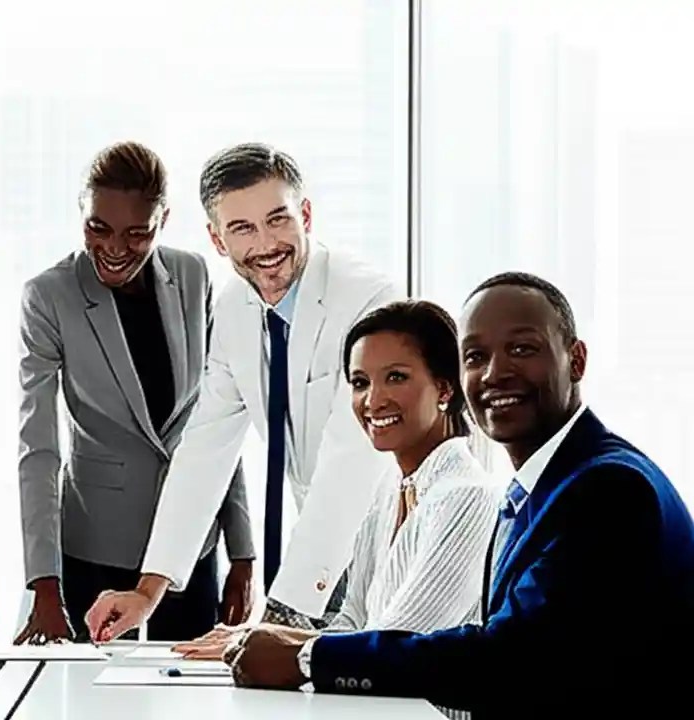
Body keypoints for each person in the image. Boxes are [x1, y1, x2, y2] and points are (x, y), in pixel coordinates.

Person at [224, 272, 694, 715]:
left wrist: (306, 657)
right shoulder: (542, 486)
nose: (495, 373)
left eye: (522, 349)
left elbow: (506, 658)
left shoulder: (608, 488)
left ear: (577, 360)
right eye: (475, 356)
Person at [85, 142, 401, 642]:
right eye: (242, 228)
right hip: (319, 554)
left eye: (278, 220)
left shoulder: (367, 301)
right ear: (216, 238)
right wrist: (150, 590)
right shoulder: (234, 309)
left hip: (387, 546)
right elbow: (205, 449)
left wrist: (278, 619)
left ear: (307, 215)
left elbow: (351, 463)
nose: (266, 243)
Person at [15, 141, 255, 643]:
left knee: (189, 703)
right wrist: (44, 585)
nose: (115, 248)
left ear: (163, 219)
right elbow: (37, 449)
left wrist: (243, 551)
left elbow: (216, 420)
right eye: (97, 228)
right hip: (94, 548)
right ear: (81, 211)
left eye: (137, 233)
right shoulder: (49, 296)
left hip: (190, 544)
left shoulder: (192, 277)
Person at [175, 300, 499, 668]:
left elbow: (401, 643)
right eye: (360, 383)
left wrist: (275, 645)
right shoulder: (389, 491)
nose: (373, 401)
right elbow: (353, 624)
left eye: (396, 377)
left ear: (444, 389)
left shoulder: (467, 496)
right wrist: (253, 638)